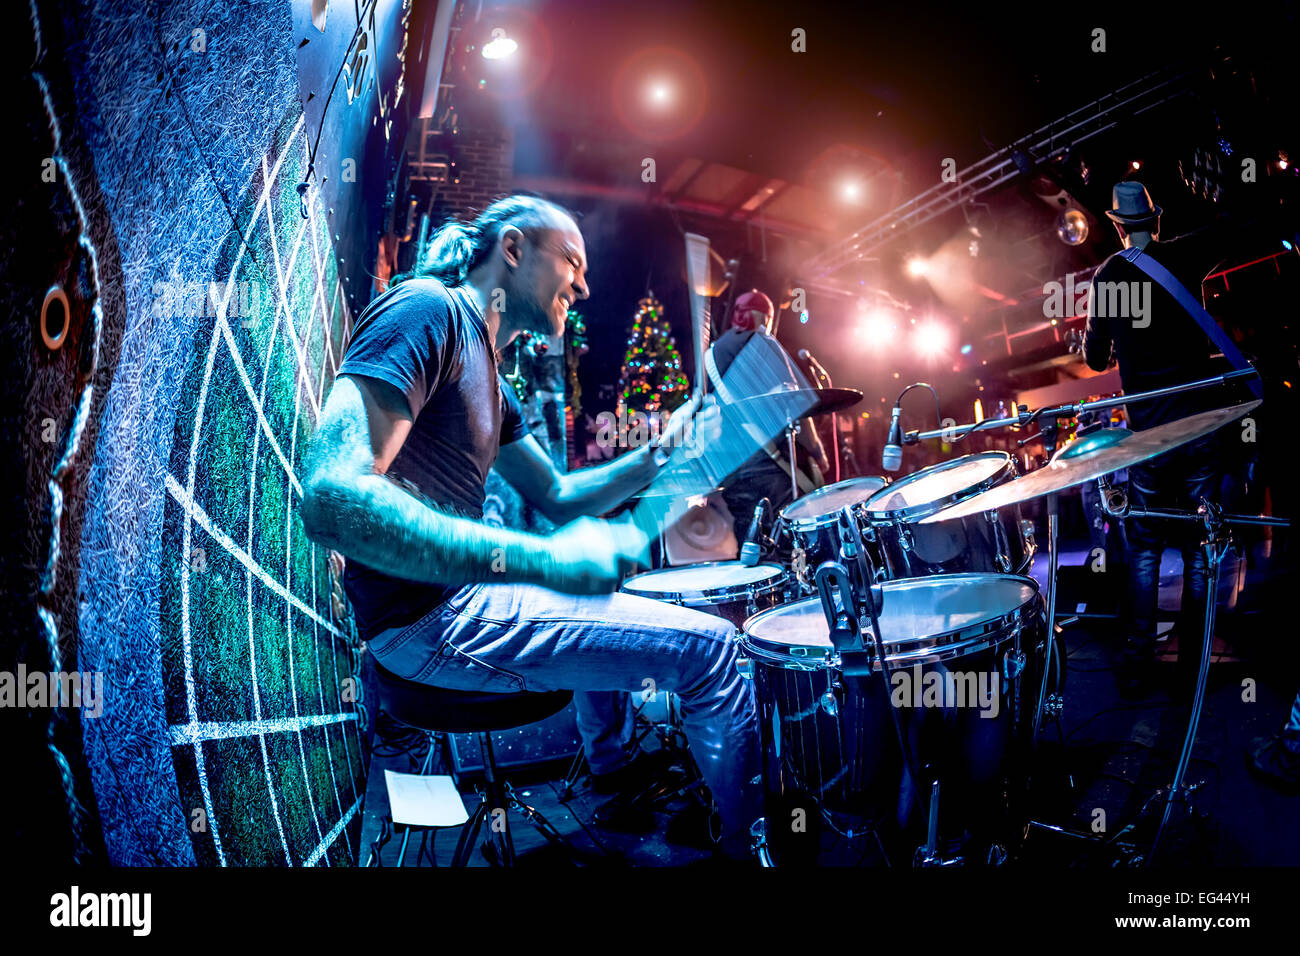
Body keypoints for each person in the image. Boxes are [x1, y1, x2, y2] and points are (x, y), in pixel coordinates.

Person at [300, 194, 760, 858]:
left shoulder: (493, 373)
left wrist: (662, 455)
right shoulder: (428, 311)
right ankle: (755, 849)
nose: (585, 283)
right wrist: (544, 563)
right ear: (512, 250)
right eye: (572, 260)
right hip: (429, 619)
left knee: (694, 640)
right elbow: (331, 496)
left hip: (454, 606)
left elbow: (560, 494)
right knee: (715, 649)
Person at [1081, 181, 1248, 697]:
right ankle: (1193, 663)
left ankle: (1135, 668)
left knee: (1146, 550)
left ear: (1115, 225)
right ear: (1155, 220)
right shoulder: (1184, 254)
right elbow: (1233, 224)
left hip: (1150, 434)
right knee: (1200, 547)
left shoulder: (1108, 275)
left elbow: (1093, 359)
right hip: (1199, 428)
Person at [708, 290, 830, 552]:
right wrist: (817, 451)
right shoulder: (764, 344)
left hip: (730, 471)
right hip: (769, 469)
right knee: (787, 549)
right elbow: (794, 403)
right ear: (763, 316)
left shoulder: (714, 352)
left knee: (752, 547)